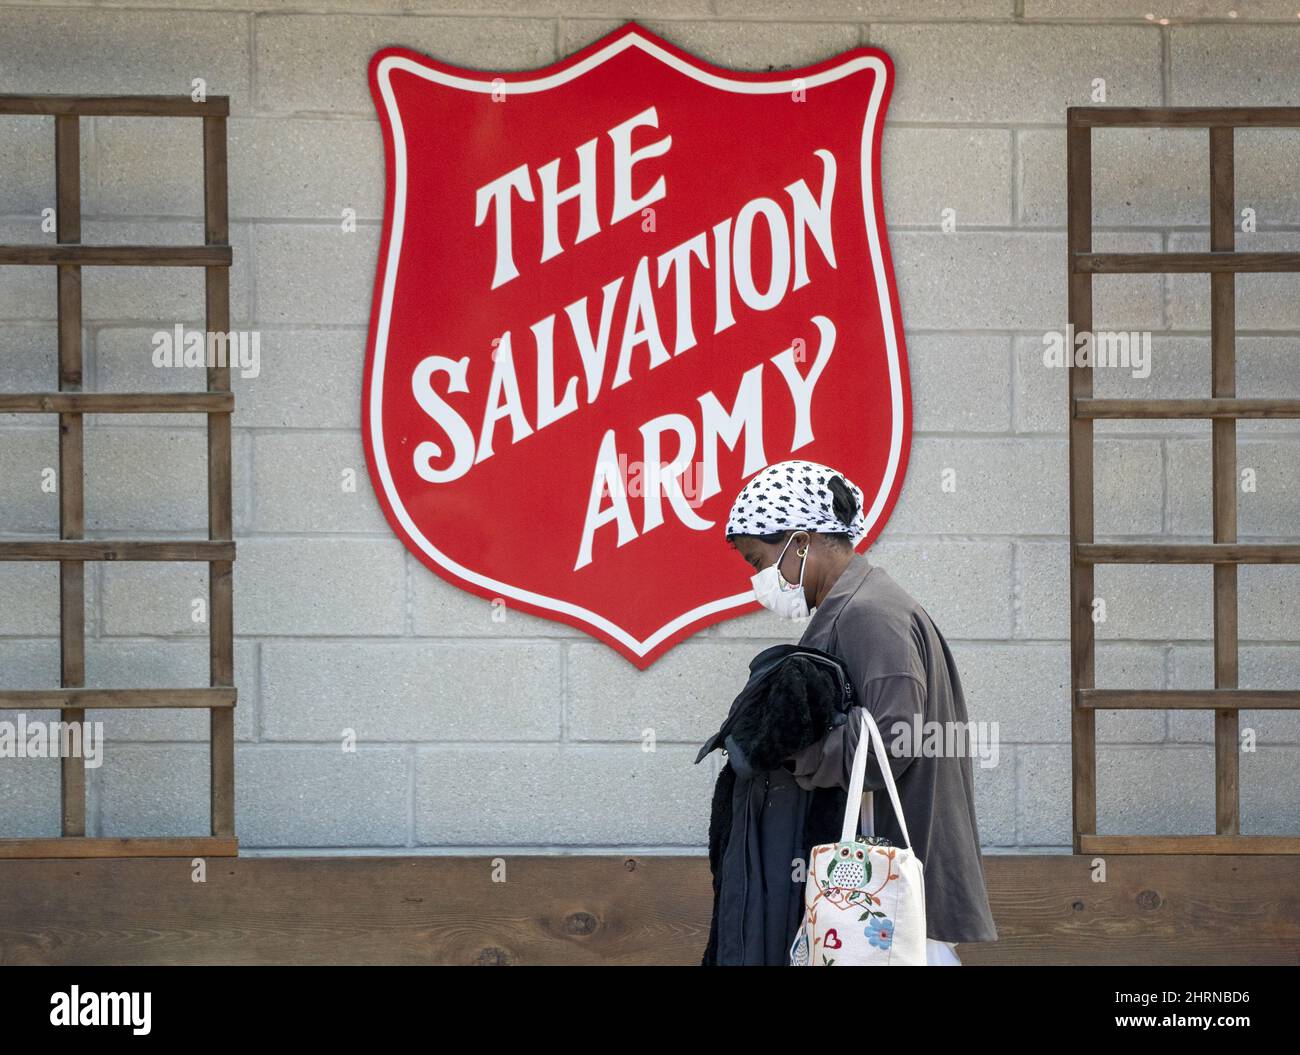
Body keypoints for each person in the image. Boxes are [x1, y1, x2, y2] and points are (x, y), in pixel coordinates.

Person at [725, 459, 998, 965]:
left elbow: (895, 741)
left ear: (801, 541)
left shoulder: (870, 614)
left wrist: (789, 749)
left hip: (888, 896)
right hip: (879, 893)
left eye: (759, 561)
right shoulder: (860, 604)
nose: (759, 579)